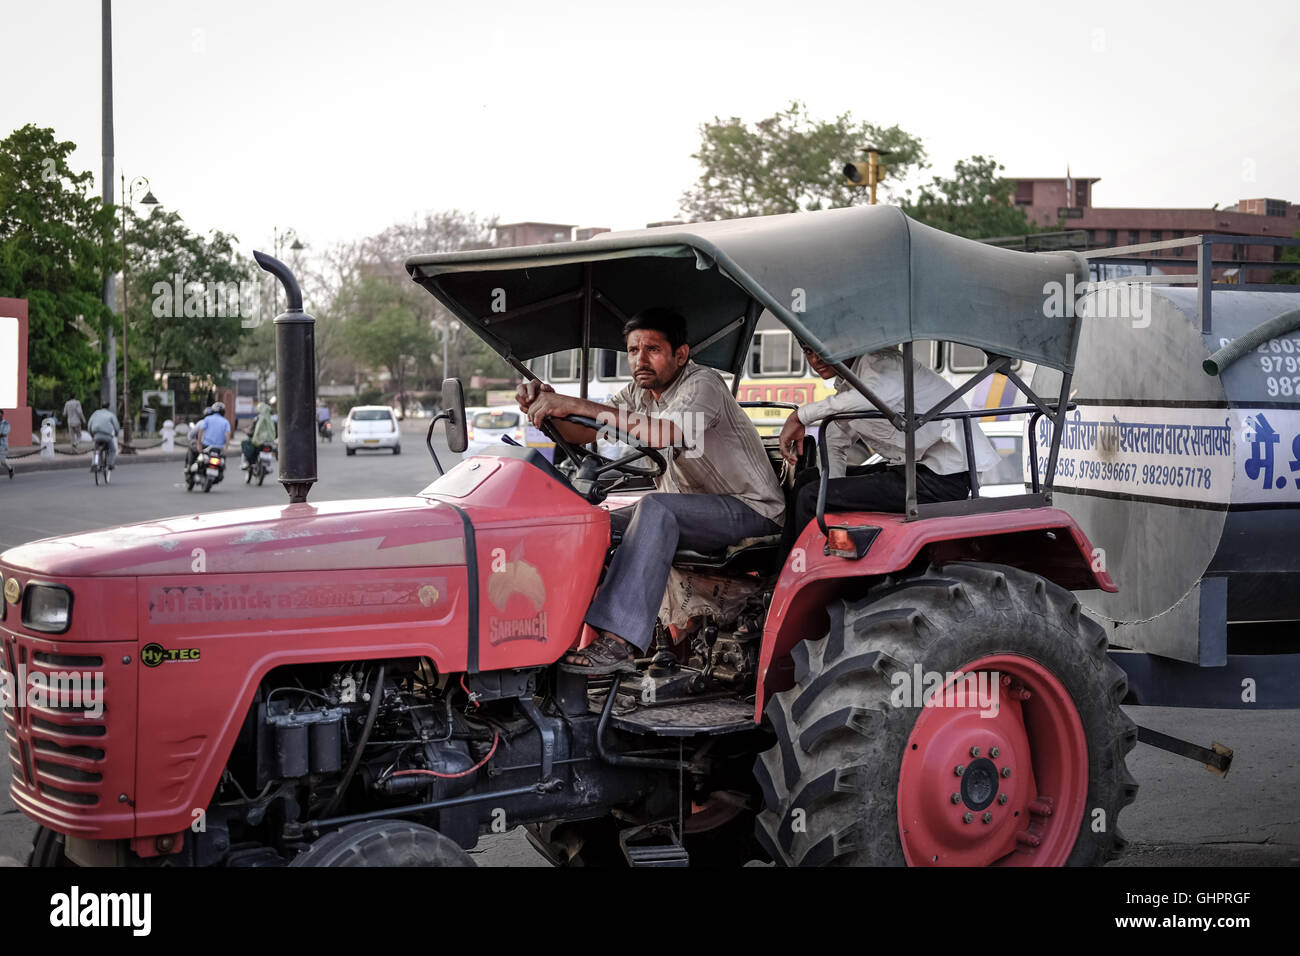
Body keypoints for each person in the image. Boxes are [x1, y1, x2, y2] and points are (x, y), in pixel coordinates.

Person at [517, 307, 785, 673]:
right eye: (632, 350)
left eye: (653, 349)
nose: (640, 360)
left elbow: (663, 433)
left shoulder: (702, 385)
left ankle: (617, 642)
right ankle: (552, 631)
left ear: (681, 354)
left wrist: (575, 404)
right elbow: (583, 430)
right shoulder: (637, 394)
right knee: (595, 522)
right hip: (694, 509)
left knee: (657, 508)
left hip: (752, 509)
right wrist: (546, 408)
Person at [778, 343, 998, 546]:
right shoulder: (850, 387)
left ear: (845, 344)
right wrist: (835, 495)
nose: (816, 359)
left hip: (941, 478)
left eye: (822, 348)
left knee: (811, 495)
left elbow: (868, 398)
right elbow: (835, 441)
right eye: (808, 351)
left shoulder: (882, 362)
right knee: (810, 479)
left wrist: (800, 416)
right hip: (912, 472)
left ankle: (799, 572)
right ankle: (779, 572)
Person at [187, 402, 231, 470]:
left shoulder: (207, 419)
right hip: (219, 448)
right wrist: (226, 448)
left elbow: (200, 431)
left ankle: (189, 466)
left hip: (206, 446)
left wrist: (199, 444)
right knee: (222, 459)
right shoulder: (225, 422)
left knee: (192, 447)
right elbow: (228, 436)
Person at [241, 401, 277, 469]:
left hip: (259, 441)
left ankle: (247, 462)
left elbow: (253, 430)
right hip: (270, 441)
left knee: (245, 443)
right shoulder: (271, 419)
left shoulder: (258, 418)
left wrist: (247, 431)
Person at [87, 402, 121, 471]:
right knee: (113, 450)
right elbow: (116, 426)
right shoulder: (110, 414)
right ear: (108, 407)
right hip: (107, 436)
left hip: (96, 435)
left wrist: (92, 435)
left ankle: (95, 464)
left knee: (96, 450)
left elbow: (89, 424)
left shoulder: (95, 413)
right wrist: (116, 434)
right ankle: (110, 464)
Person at [0, 409, 12, 479]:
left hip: (3, 446)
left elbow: (4, 433)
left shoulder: (6, 424)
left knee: (3, 462)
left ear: (2, 415)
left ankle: (10, 469)